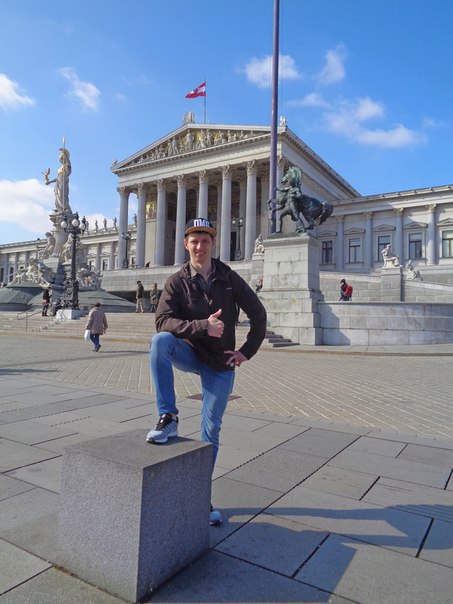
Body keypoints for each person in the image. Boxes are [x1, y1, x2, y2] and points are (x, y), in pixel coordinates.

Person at [147, 217, 267, 526]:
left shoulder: (229, 278)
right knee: (160, 342)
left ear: (213, 243)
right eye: (194, 241)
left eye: (205, 241)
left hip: (220, 362)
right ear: (185, 244)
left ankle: (201, 496)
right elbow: (162, 322)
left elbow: (258, 314)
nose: (199, 247)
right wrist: (203, 327)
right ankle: (168, 416)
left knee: (210, 430)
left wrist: (246, 351)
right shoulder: (177, 281)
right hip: (190, 352)